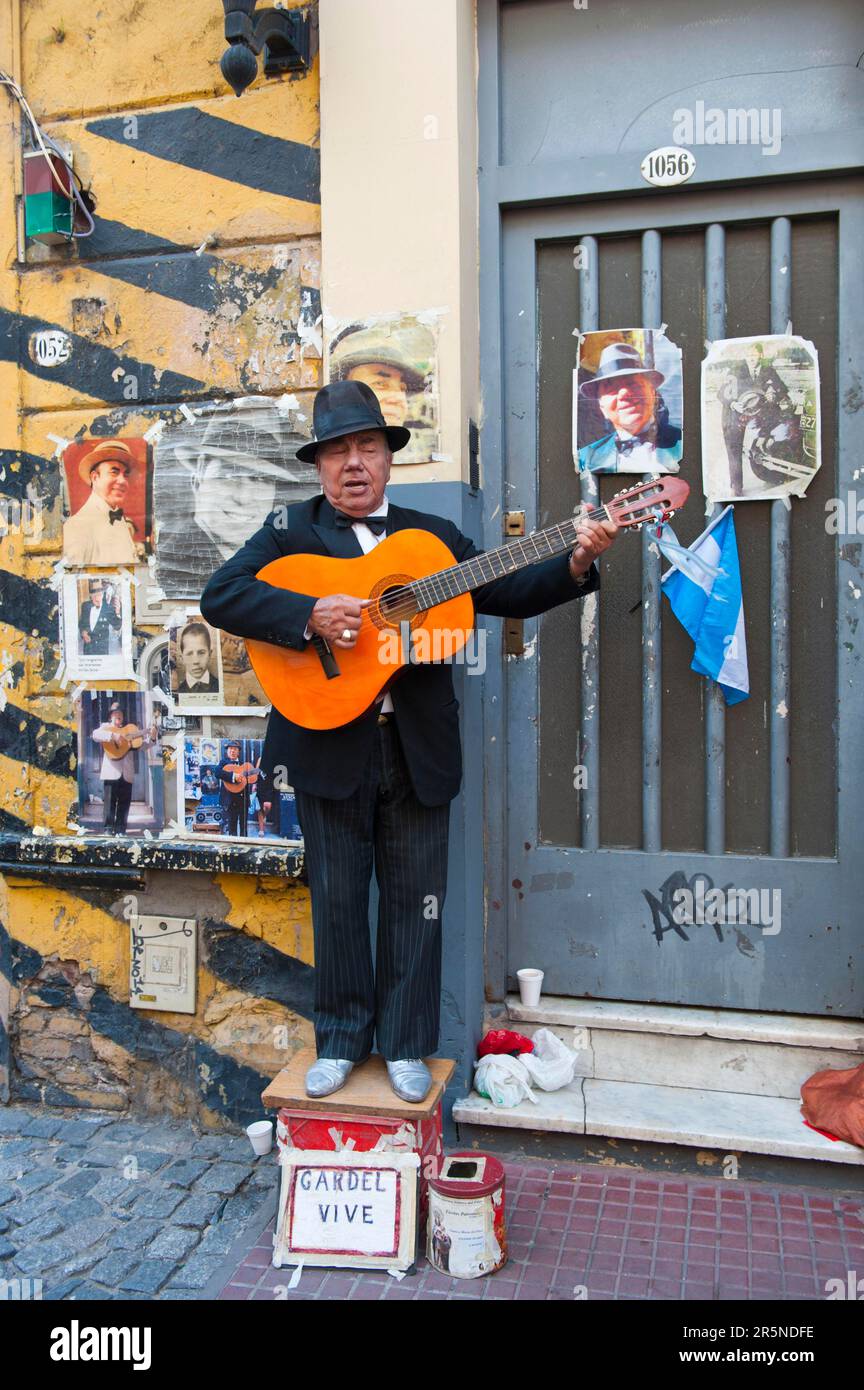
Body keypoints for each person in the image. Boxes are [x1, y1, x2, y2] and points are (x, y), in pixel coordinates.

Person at [200, 379, 618, 1104]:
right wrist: (309, 613)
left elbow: (503, 593)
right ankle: (337, 1041)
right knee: (335, 899)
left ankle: (404, 1045)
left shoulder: (431, 540)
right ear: (319, 466)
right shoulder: (288, 532)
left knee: (415, 901)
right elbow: (222, 594)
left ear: (389, 459)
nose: (352, 464)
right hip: (330, 741)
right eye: (336, 452)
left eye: (366, 446)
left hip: (418, 746)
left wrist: (577, 561)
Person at [155, 402, 317, 597]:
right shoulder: (173, 564)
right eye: (231, 476)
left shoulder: (284, 561)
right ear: (197, 477)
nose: (244, 498)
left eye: (260, 479)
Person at [577, 342, 682, 474]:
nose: (624, 394)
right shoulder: (584, 459)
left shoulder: (685, 444)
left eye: (632, 383)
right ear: (601, 405)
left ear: (652, 393)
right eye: (611, 388)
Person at [63, 440, 141, 565]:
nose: (122, 481)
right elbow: (73, 580)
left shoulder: (120, 520)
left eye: (126, 474)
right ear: (95, 477)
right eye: (114, 472)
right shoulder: (77, 526)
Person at [91, 702, 157, 835]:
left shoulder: (130, 730)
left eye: (120, 716)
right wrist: (113, 736)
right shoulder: (106, 727)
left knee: (124, 803)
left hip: (127, 772)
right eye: (116, 715)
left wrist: (153, 737)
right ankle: (108, 829)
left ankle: (121, 829)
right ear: (111, 717)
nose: (118, 718)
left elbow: (143, 746)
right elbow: (95, 735)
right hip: (111, 772)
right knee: (109, 803)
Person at [78, 578, 122, 656]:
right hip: (88, 650)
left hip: (101, 651)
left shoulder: (107, 608)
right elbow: (81, 623)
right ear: (90, 595)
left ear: (103, 594)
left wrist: (118, 612)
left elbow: (117, 626)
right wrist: (83, 632)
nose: (96, 597)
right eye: (93, 594)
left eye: (99, 594)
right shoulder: (85, 606)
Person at [216, 741, 250, 837]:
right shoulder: (223, 763)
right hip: (230, 800)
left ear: (238, 752)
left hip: (243, 800)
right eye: (230, 749)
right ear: (227, 751)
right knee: (232, 826)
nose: (232, 751)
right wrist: (233, 776)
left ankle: (245, 845)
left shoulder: (244, 764)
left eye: (235, 749)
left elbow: (251, 778)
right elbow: (217, 772)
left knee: (244, 827)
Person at [176, 620, 219, 695]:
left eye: (201, 653)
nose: (196, 661)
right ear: (182, 658)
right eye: (189, 654)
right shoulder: (177, 691)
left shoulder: (219, 686)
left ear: (210, 654)